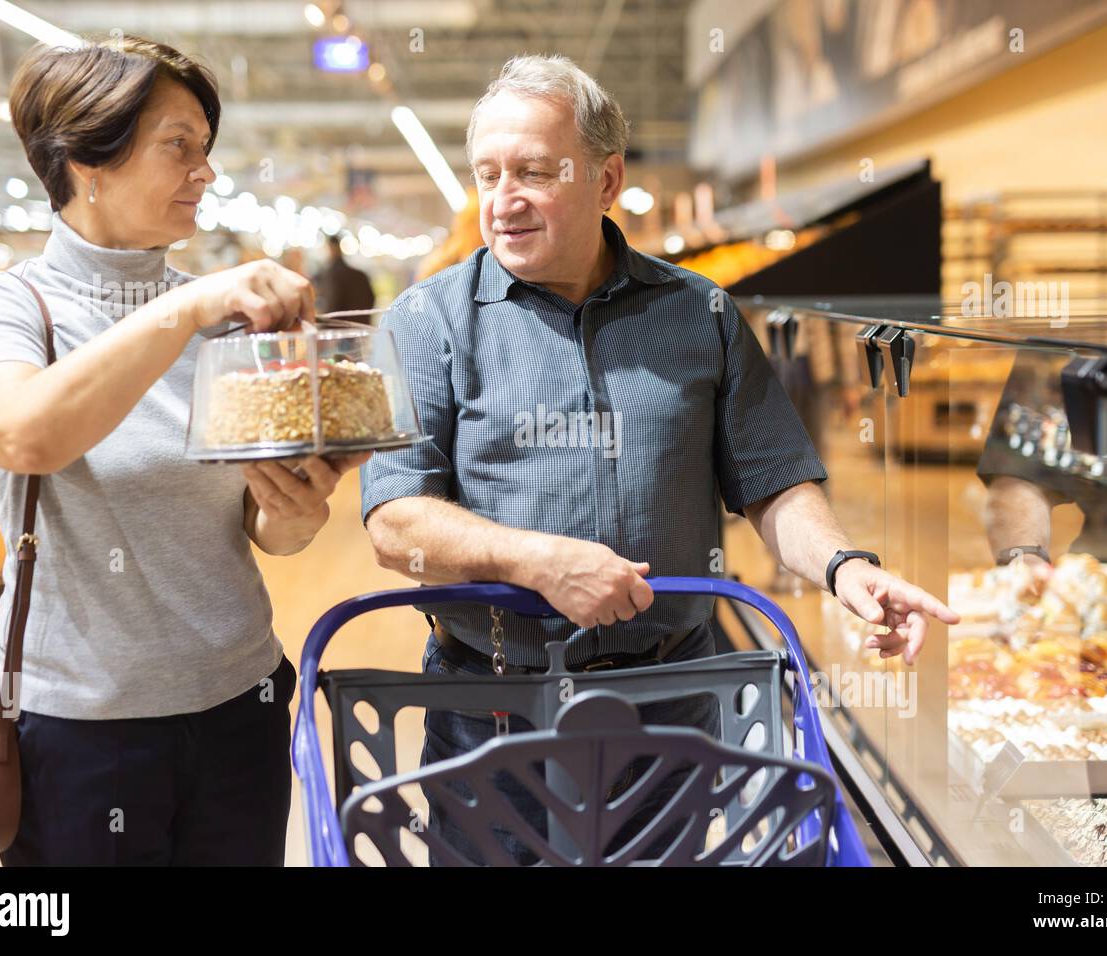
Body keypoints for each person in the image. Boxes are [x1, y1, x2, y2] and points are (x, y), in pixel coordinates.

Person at [360, 54, 959, 865]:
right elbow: (396, 522)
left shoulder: (700, 313)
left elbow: (773, 480)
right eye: (489, 174)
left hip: (674, 703)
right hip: (493, 709)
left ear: (606, 181)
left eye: (535, 171)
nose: (504, 200)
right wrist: (540, 563)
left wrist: (848, 567)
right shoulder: (426, 322)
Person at [0, 35, 369, 866]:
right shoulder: (3, 303)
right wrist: (188, 306)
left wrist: (297, 507)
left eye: (205, 149)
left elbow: (265, 525)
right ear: (86, 158)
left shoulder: (224, 320)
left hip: (238, 704)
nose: (204, 172)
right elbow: (23, 431)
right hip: (79, 729)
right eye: (179, 146)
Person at [316, 233, 375, 314]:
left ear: (331, 248)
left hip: (339, 324)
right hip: (361, 324)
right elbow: (371, 300)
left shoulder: (332, 275)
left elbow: (332, 303)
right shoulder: (360, 275)